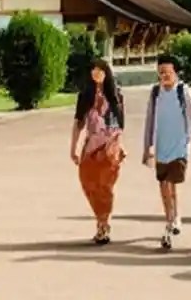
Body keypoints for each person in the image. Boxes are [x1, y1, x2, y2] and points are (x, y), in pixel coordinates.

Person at [142, 56, 191, 250]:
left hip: (179, 146)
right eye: (161, 72)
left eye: (168, 72)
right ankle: (169, 218)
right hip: (161, 147)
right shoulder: (155, 93)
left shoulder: (183, 91)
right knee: (163, 184)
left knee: (173, 184)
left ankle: (176, 217)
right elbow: (149, 121)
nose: (165, 75)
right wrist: (147, 148)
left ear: (175, 73)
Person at [70, 59, 126, 245]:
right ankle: (100, 218)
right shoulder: (85, 96)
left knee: (106, 186)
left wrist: (120, 146)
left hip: (110, 146)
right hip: (91, 145)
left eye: (100, 70)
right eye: (93, 70)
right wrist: (74, 148)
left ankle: (104, 223)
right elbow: (79, 123)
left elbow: (121, 124)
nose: (96, 73)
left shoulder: (116, 95)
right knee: (89, 184)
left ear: (106, 73)